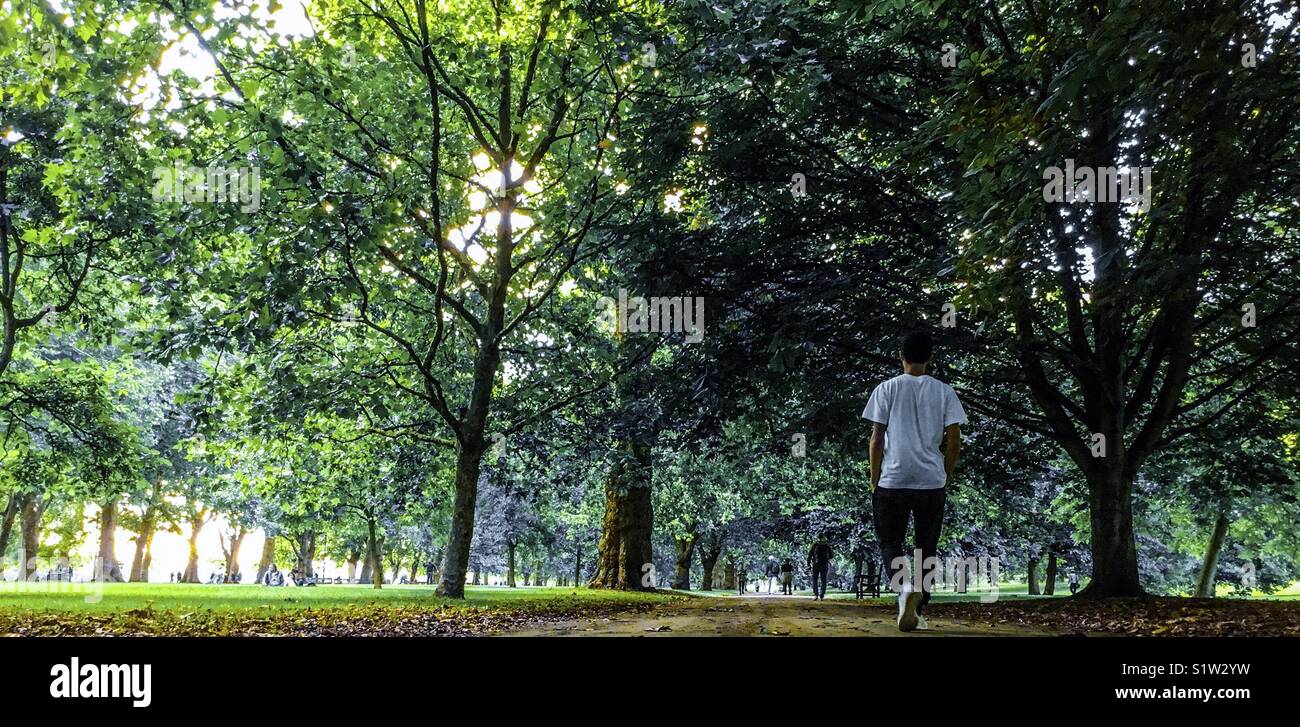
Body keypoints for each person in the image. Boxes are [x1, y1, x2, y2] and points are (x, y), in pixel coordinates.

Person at [864, 331, 966, 632]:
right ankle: (918, 609)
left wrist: (875, 476)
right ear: (930, 358)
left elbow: (876, 438)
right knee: (926, 547)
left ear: (901, 356)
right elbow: (955, 440)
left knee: (890, 542)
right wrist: (945, 473)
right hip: (931, 482)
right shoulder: (944, 391)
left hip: (893, 481)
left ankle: (904, 588)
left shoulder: (886, 389)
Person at [807, 534, 832, 600]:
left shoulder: (814, 545)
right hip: (824, 564)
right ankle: (822, 595)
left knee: (815, 579)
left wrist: (808, 564)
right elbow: (831, 555)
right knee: (823, 580)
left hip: (816, 564)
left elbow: (810, 555)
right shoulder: (826, 545)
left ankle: (816, 594)